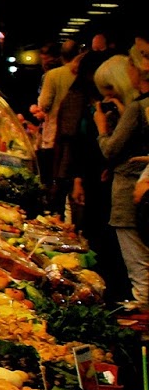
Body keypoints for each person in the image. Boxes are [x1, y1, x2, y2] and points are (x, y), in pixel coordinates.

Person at [62, 50, 128, 302]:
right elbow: (81, 143)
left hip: (113, 186)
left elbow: (110, 148)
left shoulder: (129, 110)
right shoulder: (96, 104)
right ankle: (102, 291)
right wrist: (78, 179)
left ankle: (116, 295)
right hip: (94, 178)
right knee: (98, 236)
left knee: (114, 242)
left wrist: (105, 127)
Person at [94, 54, 149, 312]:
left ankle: (143, 308)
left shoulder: (137, 108)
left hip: (130, 190)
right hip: (140, 190)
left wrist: (102, 129)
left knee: (137, 256)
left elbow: (111, 149)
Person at [32, 40, 78, 213]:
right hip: (76, 135)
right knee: (68, 180)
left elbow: (44, 104)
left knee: (51, 179)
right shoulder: (81, 74)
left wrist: (37, 109)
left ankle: (52, 213)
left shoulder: (53, 75)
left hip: (54, 136)